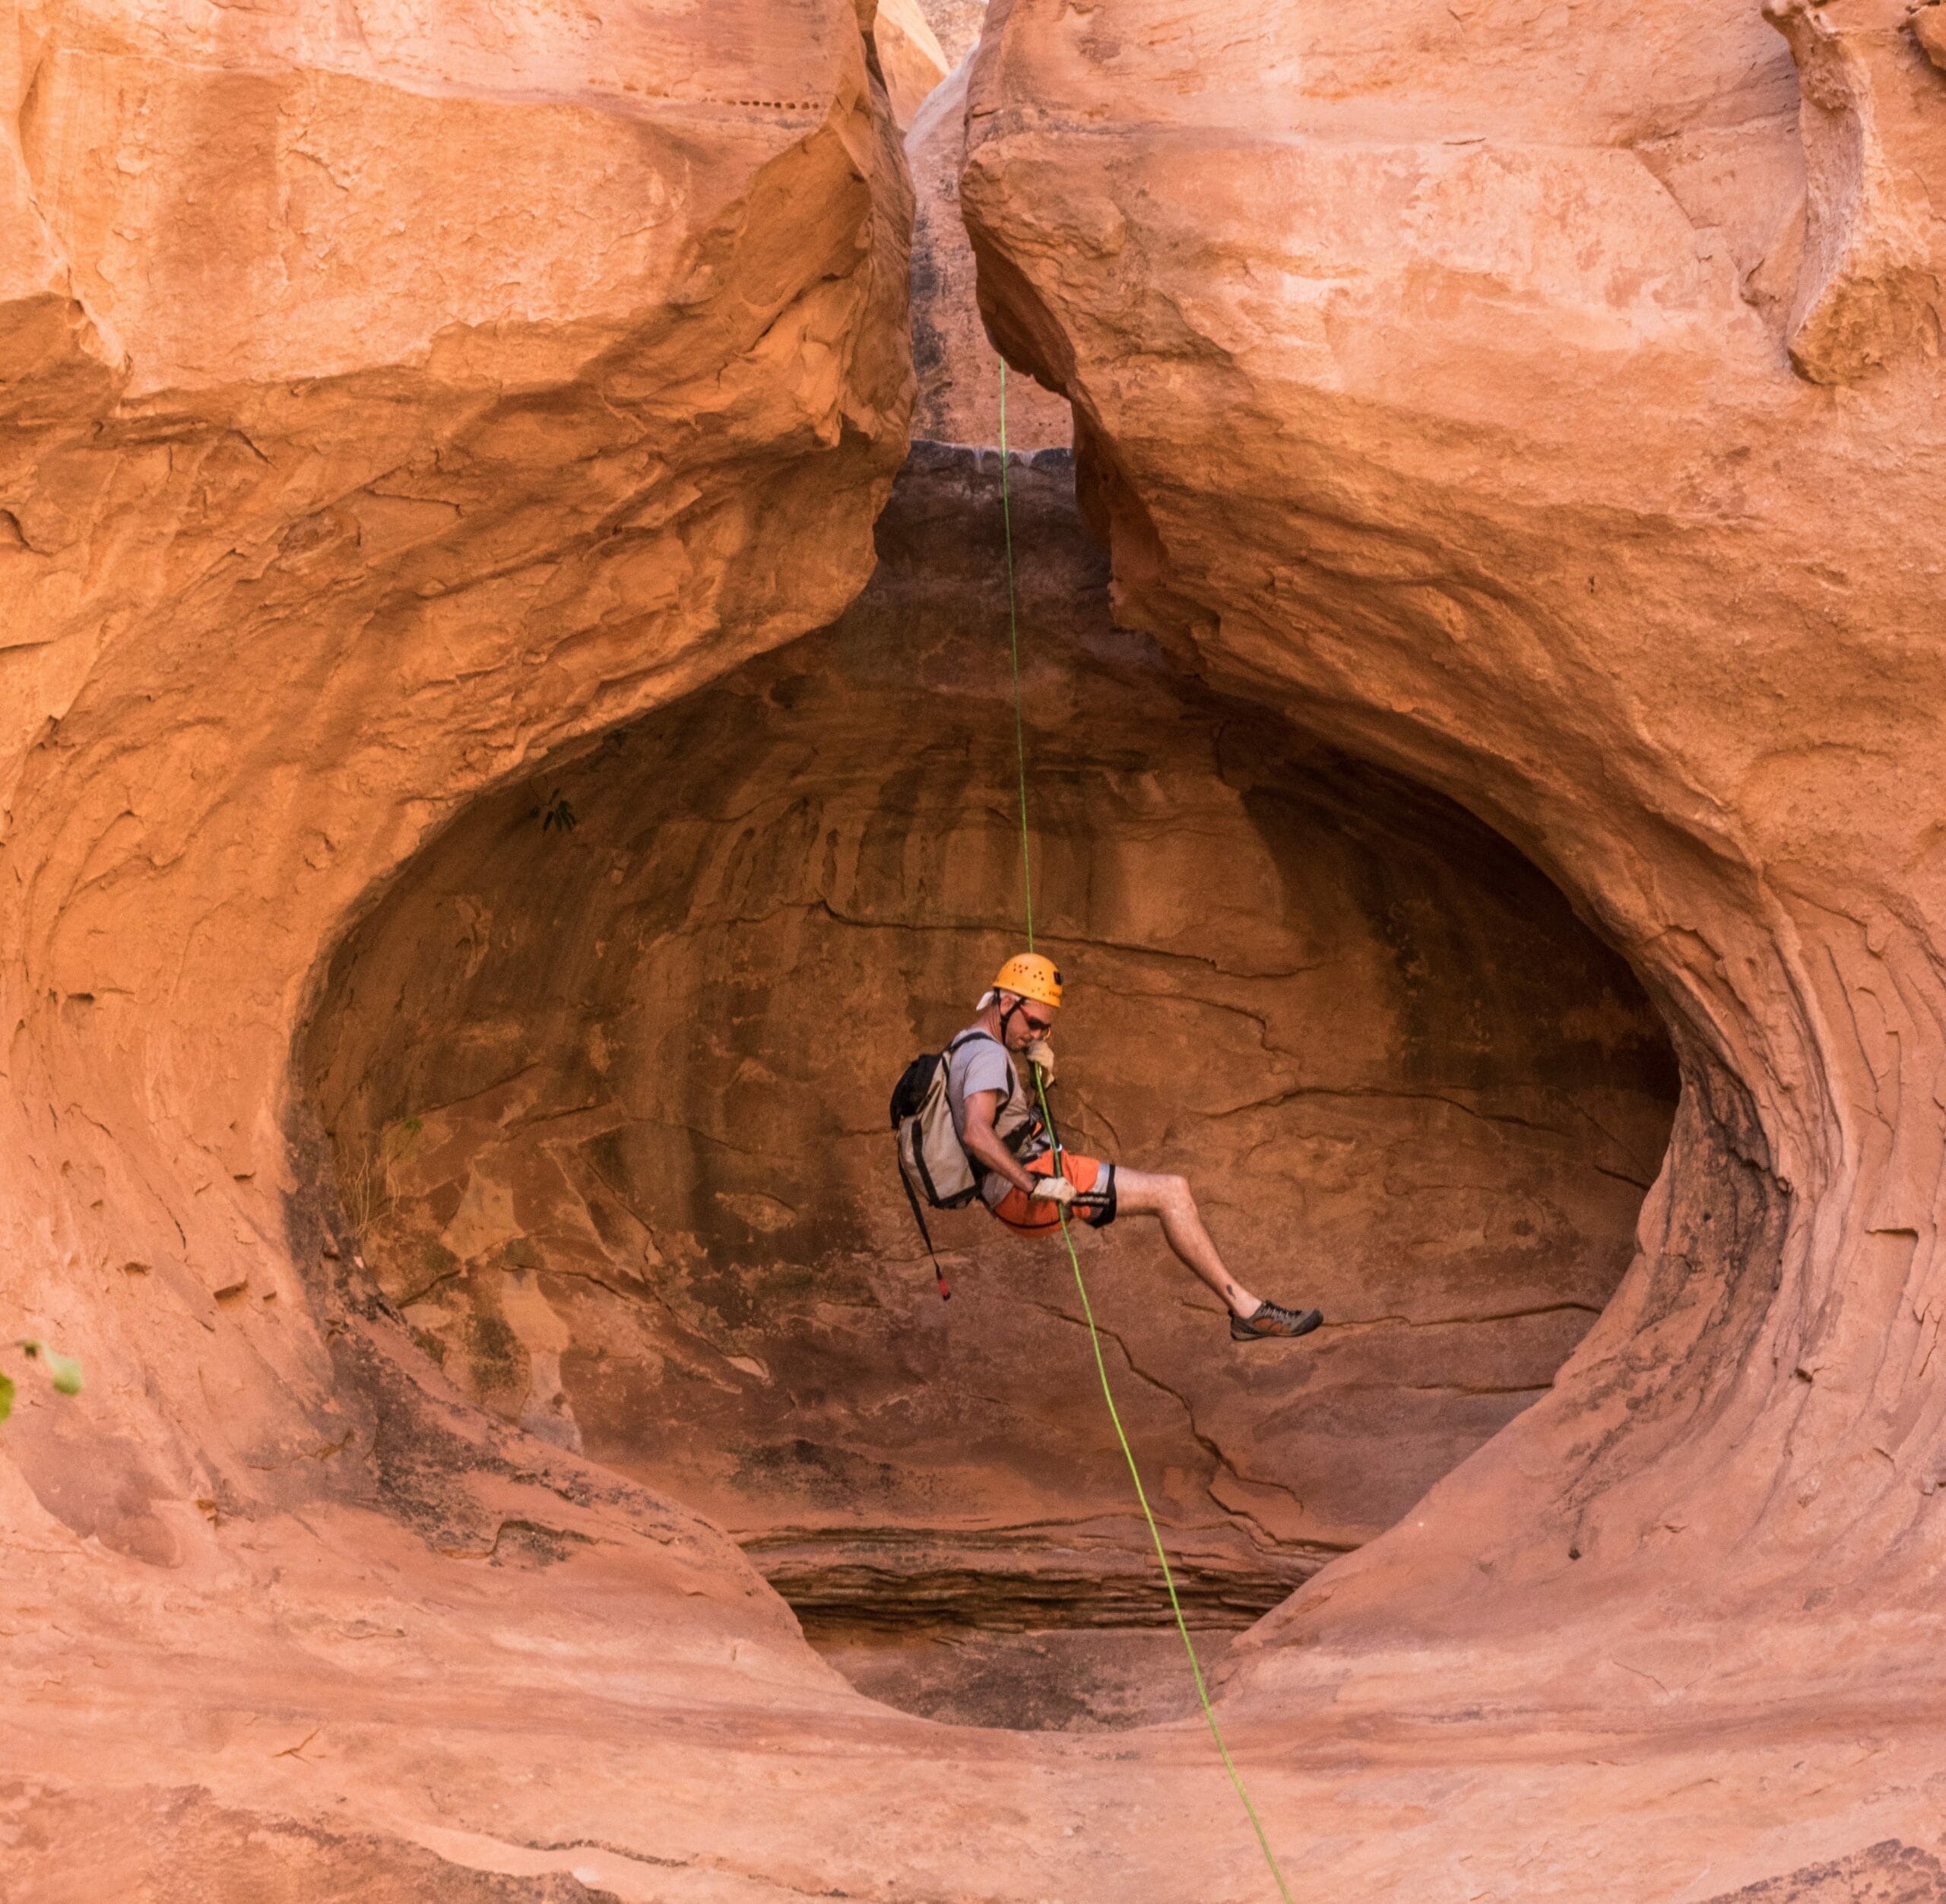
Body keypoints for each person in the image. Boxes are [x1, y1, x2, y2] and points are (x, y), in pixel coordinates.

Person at [946, 953, 1325, 1342]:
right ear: (1007, 1002)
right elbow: (976, 1133)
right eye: (1035, 1024)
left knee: (1169, 1191)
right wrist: (1032, 1184)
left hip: (1028, 1178)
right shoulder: (988, 1054)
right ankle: (1247, 1311)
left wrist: (1037, 1078)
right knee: (1172, 1193)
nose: (1037, 1035)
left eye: (1045, 1030)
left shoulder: (967, 1044)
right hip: (1027, 1187)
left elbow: (1001, 1123)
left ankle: (1246, 1309)